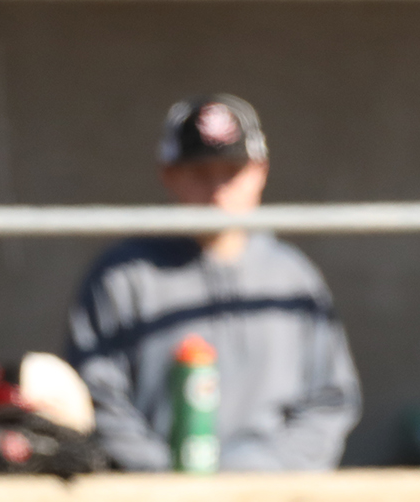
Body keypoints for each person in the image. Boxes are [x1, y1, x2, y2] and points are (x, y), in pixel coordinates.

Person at [67, 94, 361, 471]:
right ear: (168, 174)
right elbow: (96, 399)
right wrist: (170, 480)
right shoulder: (122, 277)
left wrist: (263, 478)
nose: (218, 190)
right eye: (200, 173)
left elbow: (331, 400)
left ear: (261, 172)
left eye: (233, 171)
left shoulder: (293, 279)